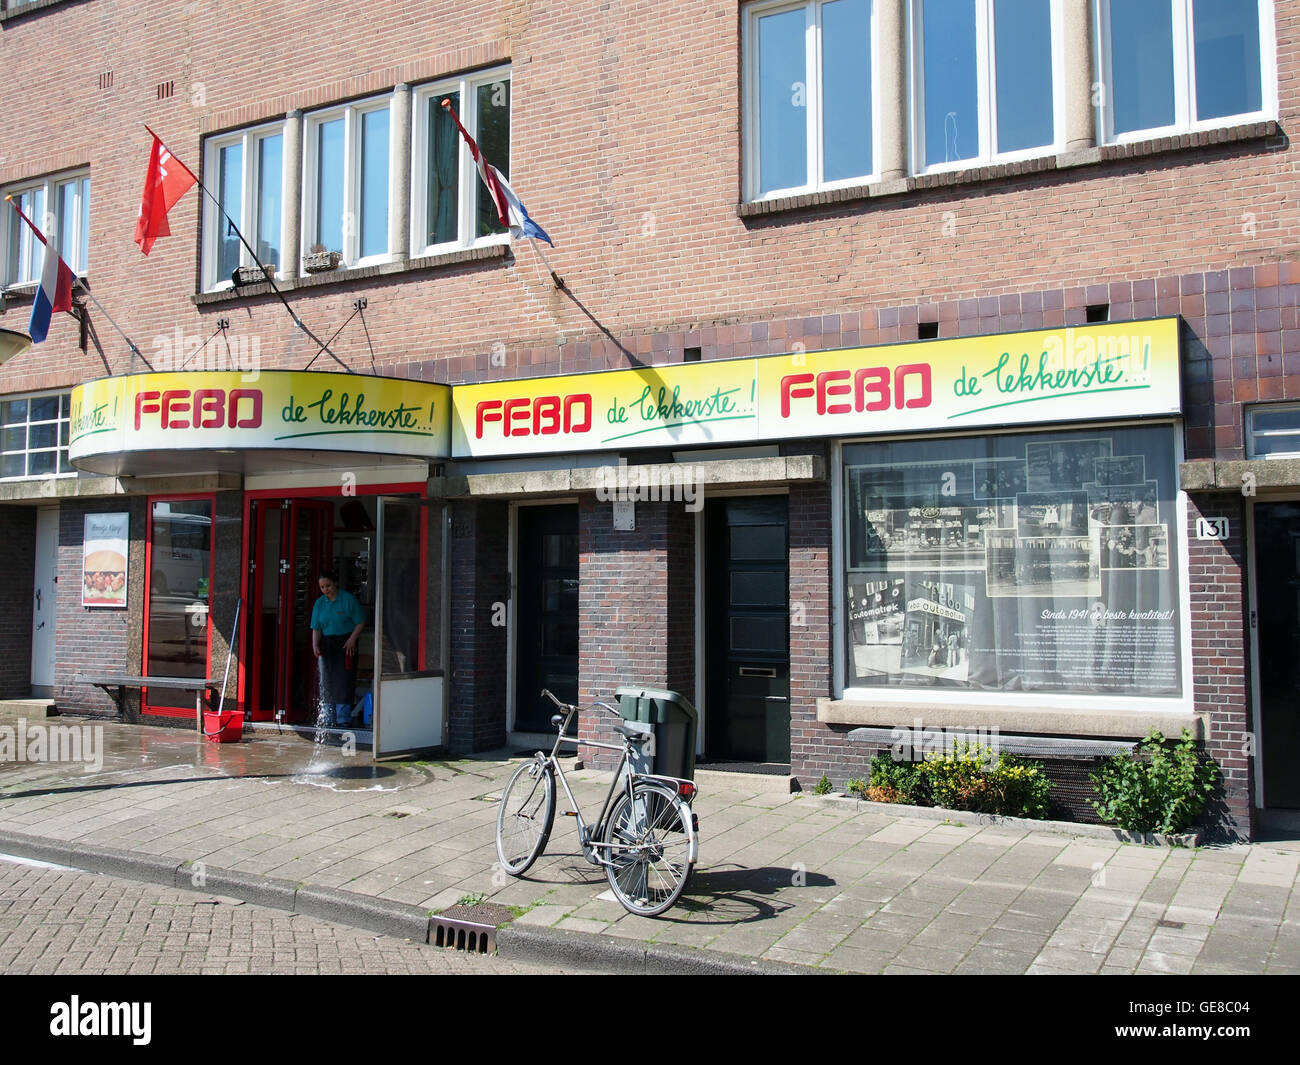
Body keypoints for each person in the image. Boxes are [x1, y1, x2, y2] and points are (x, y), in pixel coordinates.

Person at [311, 568, 367, 727]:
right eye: (322, 587)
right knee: (327, 679)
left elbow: (360, 621)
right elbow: (316, 627)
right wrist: (315, 644)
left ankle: (343, 717)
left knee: (344, 679)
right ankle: (328, 717)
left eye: (328, 585)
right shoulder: (319, 603)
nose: (325, 590)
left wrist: (352, 639)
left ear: (335, 583)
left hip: (345, 642)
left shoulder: (347, 599)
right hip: (327, 642)